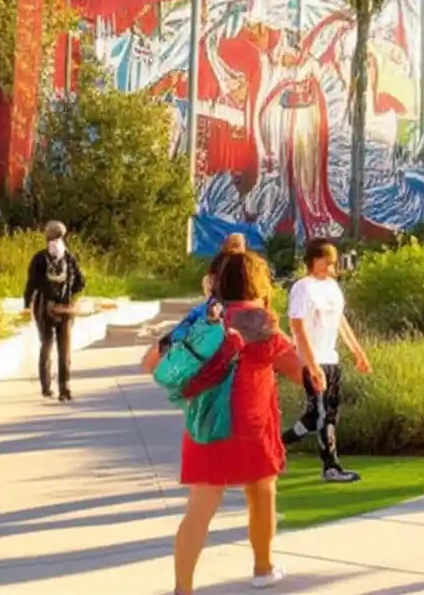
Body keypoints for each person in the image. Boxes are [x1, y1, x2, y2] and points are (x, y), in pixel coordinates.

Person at [142, 251, 296, 594]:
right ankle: (263, 568)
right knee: (262, 491)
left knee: (199, 509)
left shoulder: (203, 319)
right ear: (259, 282)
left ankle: (183, 589)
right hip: (251, 426)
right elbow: (301, 373)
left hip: (206, 424)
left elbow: (151, 361)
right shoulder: (263, 324)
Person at [281, 239, 372, 483]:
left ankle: (277, 444)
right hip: (313, 359)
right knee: (324, 417)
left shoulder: (332, 287)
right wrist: (311, 366)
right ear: (313, 261)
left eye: (332, 261)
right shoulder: (303, 287)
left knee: (318, 414)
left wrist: (357, 351)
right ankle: (331, 466)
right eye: (325, 260)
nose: (330, 265)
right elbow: (297, 327)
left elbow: (340, 321)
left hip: (330, 358)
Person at [23, 220, 86, 402]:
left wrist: (27, 304)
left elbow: (32, 283)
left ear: (46, 237)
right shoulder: (69, 258)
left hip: (44, 308)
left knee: (47, 344)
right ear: (64, 236)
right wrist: (70, 297)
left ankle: (46, 387)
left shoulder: (39, 258)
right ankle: (65, 389)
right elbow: (81, 282)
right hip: (66, 309)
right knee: (64, 349)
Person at [204, 233, 248, 298]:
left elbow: (210, 278)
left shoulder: (219, 259)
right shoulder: (249, 260)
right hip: (231, 297)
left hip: (224, 298)